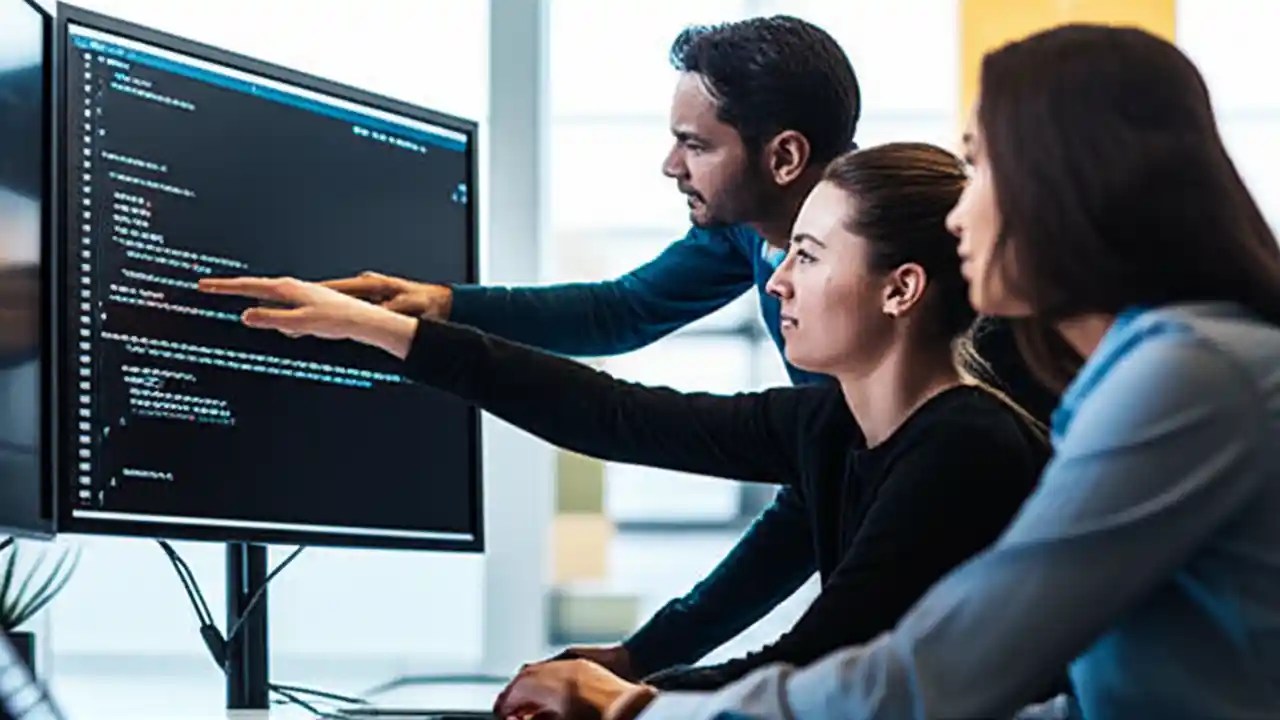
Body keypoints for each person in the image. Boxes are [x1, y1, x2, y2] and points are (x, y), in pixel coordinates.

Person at [448, 23, 1280, 720]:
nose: (960, 211)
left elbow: (942, 670)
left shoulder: (1186, 380)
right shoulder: (1148, 375)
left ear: (1068, 184)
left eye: (980, 166)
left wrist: (638, 704)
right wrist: (426, 321)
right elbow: (1089, 689)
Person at [317, 16, 1056, 690]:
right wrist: (428, 317)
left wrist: (633, 694)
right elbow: (621, 366)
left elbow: (823, 651)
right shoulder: (825, 404)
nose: (778, 285)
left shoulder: (964, 417)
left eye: (696, 144)